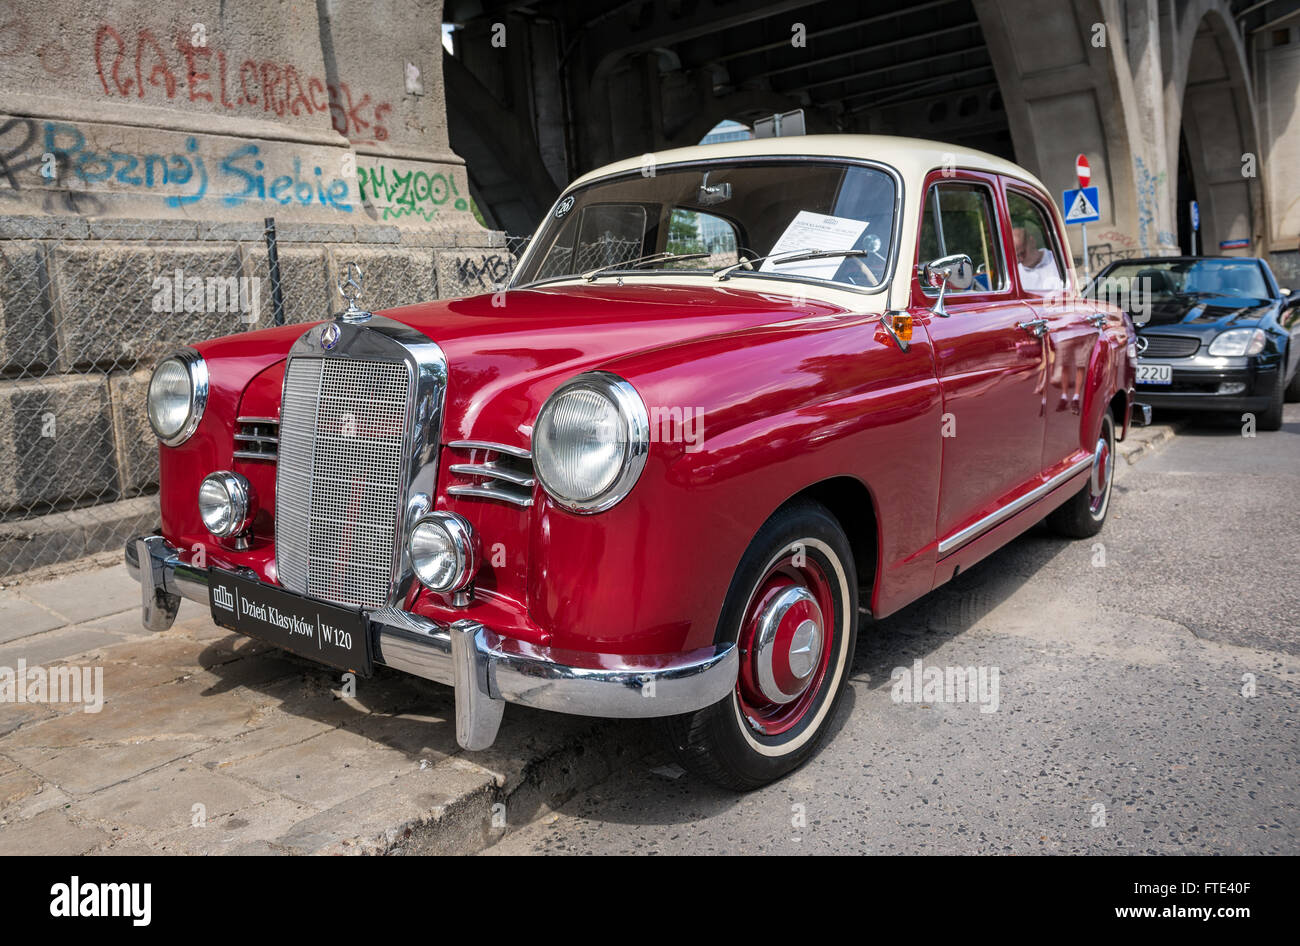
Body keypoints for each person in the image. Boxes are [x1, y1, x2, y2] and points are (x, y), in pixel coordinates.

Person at [1013, 226, 1064, 292]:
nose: (1020, 259)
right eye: (1016, 256)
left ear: (1032, 241)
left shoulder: (1058, 260)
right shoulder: (1016, 275)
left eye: (1022, 253)